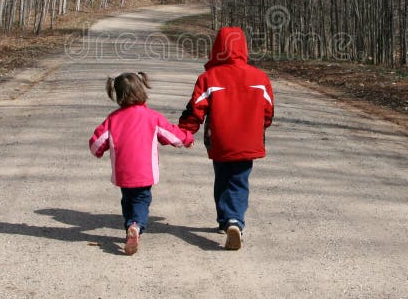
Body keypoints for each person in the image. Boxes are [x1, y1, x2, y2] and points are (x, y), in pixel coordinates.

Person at [179, 27, 274, 250]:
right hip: (248, 140)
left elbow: (195, 109)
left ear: (217, 48)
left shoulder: (209, 78)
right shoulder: (260, 78)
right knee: (239, 181)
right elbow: (268, 110)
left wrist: (185, 131)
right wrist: (260, 128)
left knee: (222, 179)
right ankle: (234, 221)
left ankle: (226, 220)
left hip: (220, 140)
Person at [89, 71, 194, 255]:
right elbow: (173, 135)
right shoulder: (152, 117)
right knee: (142, 199)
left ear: (117, 94)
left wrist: (97, 151)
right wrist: (187, 138)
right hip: (145, 171)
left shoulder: (113, 119)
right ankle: (136, 226)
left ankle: (130, 225)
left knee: (127, 199)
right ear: (142, 89)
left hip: (123, 171)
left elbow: (97, 142)